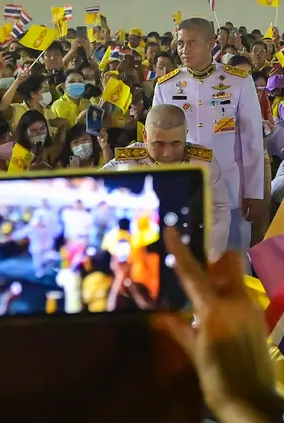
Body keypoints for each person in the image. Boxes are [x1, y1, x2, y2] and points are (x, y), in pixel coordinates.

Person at [153, 17, 264, 253]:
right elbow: (156, 140)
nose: (184, 49)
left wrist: (254, 191)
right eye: (181, 43)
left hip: (231, 188)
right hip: (184, 188)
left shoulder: (238, 81)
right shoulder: (167, 85)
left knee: (235, 265)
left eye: (192, 42)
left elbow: (252, 139)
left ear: (211, 43)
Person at [103, 104, 231, 259]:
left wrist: (204, 259)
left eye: (176, 143)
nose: (167, 153)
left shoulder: (203, 164)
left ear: (186, 135)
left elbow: (218, 211)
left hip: (189, 247)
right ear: (145, 136)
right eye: (159, 143)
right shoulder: (128, 161)